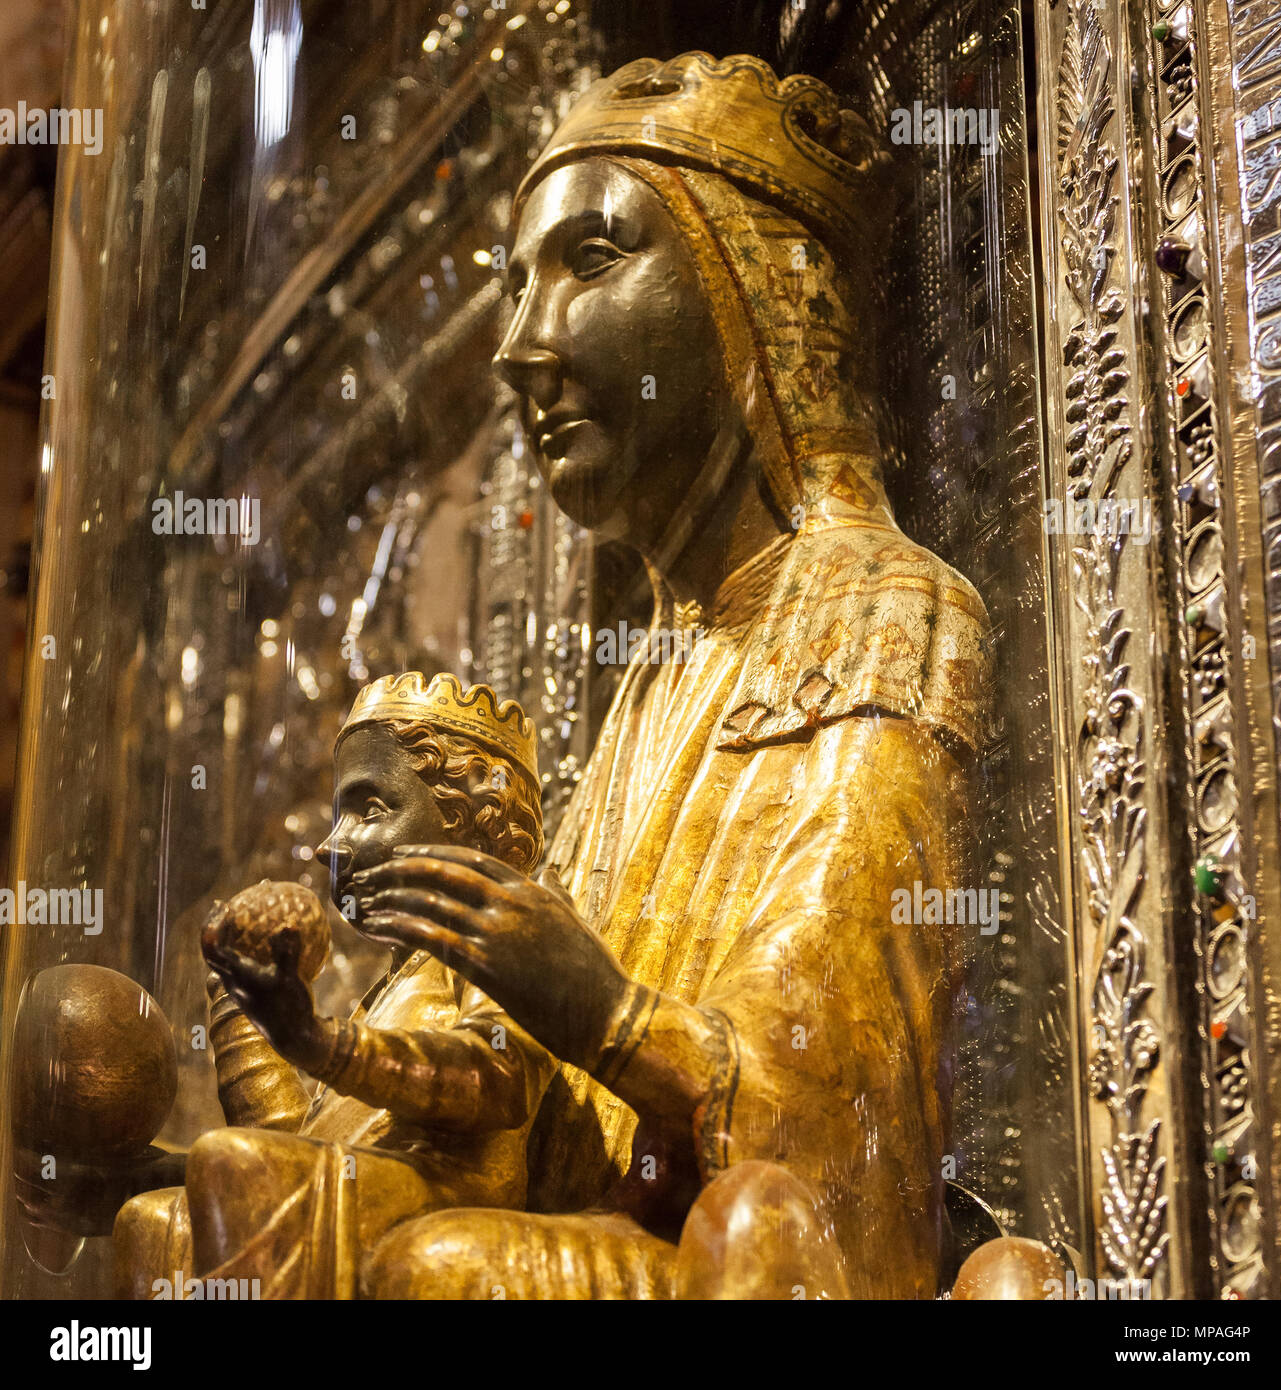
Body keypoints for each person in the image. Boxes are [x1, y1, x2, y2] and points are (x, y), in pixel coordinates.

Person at [353, 52, 992, 1299]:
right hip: (601, 1223)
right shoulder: (652, 678)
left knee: (437, 1271)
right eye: (512, 287)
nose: (519, 349)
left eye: (590, 261)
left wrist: (597, 1007)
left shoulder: (889, 610)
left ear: (748, 290)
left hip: (761, 1252)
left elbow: (834, 1098)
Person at [113, 673, 554, 1298]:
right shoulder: (395, 983)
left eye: (368, 809)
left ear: (471, 822)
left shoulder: (505, 927)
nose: (327, 847)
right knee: (154, 1218)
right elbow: (289, 1142)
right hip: (364, 1179)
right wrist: (240, 1005)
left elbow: (499, 1080)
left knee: (235, 1167)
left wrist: (318, 1041)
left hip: (444, 1192)